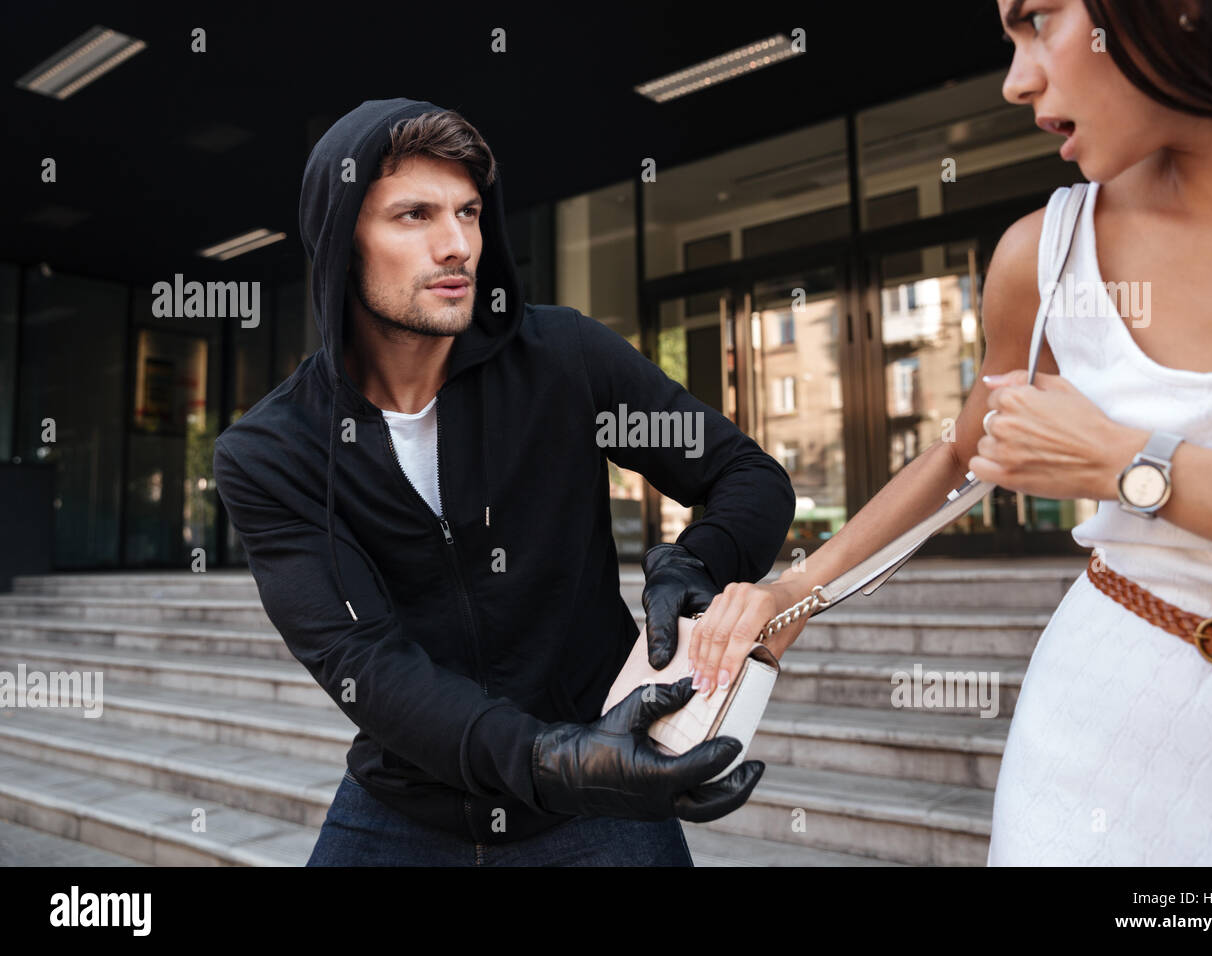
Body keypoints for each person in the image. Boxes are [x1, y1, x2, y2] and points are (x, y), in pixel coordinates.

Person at [684, 0, 1212, 865]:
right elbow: (963, 455)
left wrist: (1130, 464)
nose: (1017, 80)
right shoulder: (1046, 258)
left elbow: (1112, 463)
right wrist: (798, 594)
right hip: (1111, 746)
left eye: (1038, 20)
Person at [212, 98, 795, 866]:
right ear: (340, 240)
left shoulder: (565, 358)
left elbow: (748, 475)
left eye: (469, 212)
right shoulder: (271, 452)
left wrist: (700, 560)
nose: (457, 245)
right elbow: (365, 664)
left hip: (599, 788)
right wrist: (549, 759)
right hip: (409, 801)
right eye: (414, 215)